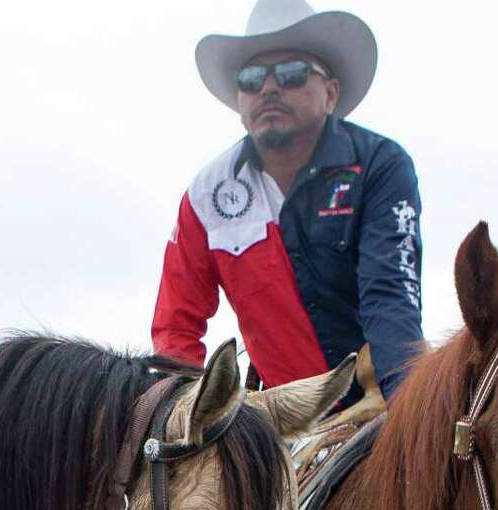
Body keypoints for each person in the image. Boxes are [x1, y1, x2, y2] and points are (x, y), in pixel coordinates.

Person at [152, 0, 424, 398]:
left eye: (291, 73)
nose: (269, 88)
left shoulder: (377, 166)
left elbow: (390, 297)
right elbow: (176, 325)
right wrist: (182, 409)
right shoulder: (206, 195)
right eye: (251, 78)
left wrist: (405, 404)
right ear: (240, 101)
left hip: (373, 399)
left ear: (331, 94)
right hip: (278, 411)